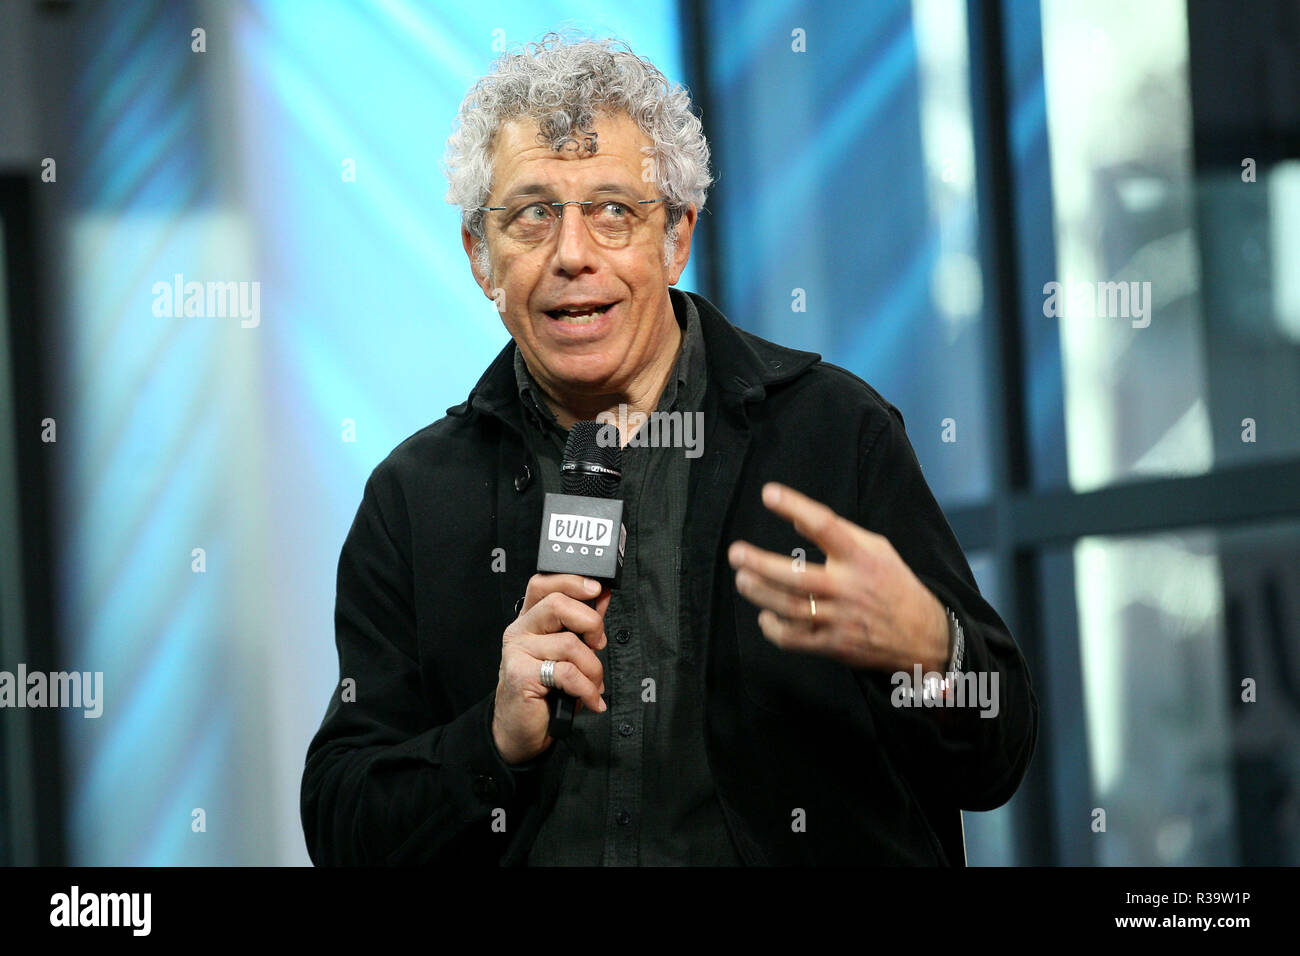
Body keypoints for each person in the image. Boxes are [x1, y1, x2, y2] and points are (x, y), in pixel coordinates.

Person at [300, 30, 1037, 866]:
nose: (573, 255)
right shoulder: (413, 498)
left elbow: (998, 753)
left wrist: (932, 649)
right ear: (480, 256)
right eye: (533, 214)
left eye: (615, 211)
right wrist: (491, 742)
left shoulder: (832, 432)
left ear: (678, 237)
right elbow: (342, 825)